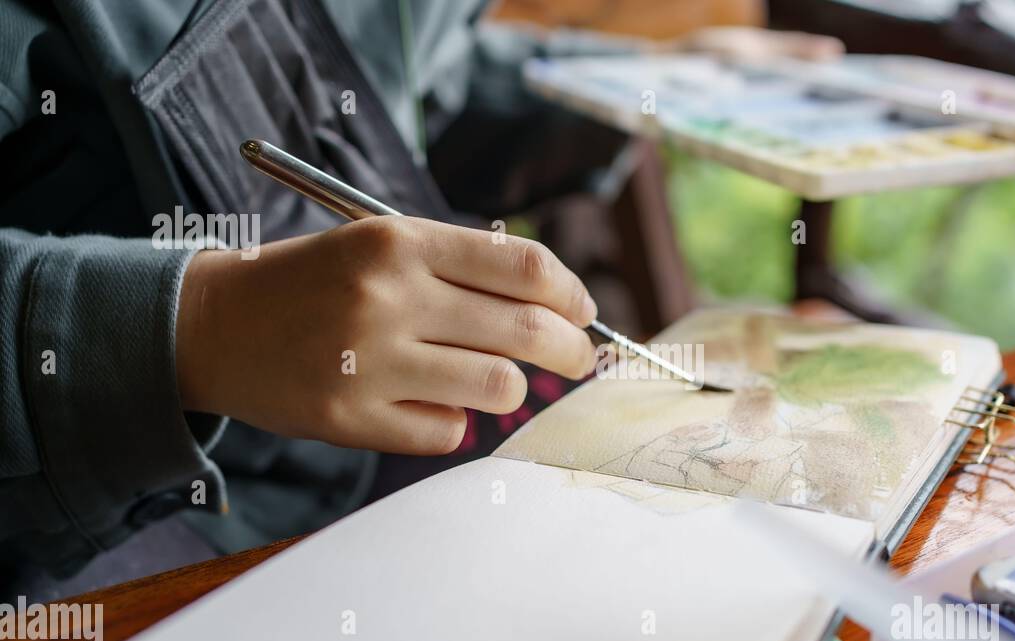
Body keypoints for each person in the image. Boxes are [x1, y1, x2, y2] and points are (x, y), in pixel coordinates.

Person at [0, 0, 840, 599]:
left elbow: (420, 87)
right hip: (109, 525)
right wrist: (198, 329)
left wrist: (639, 87)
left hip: (379, 451)